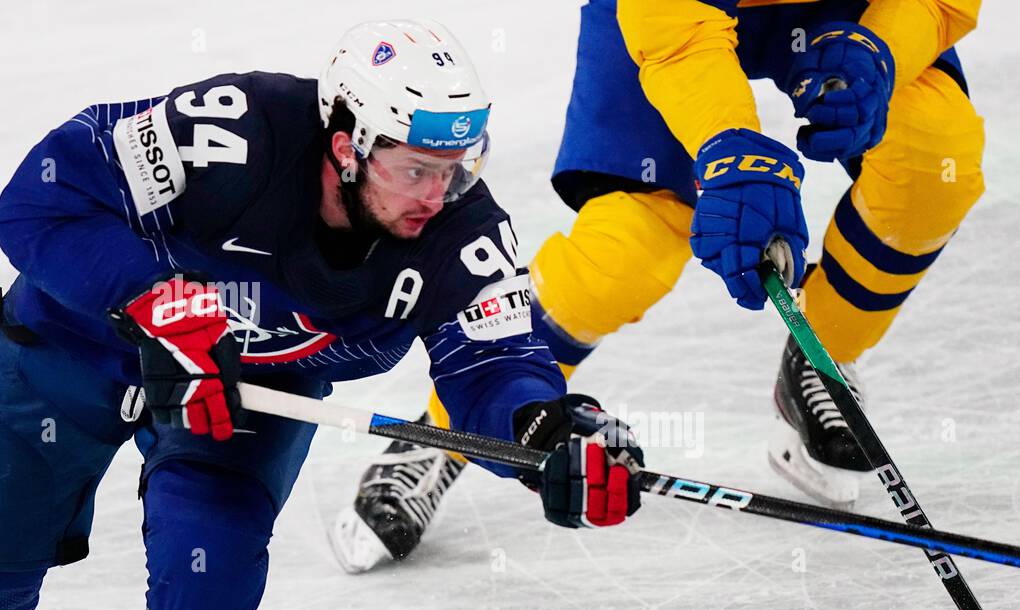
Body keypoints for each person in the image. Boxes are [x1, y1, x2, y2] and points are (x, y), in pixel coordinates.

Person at [0, 18, 644, 610]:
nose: (437, 195)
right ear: (346, 143)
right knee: (8, 524)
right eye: (415, 168)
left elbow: (496, 370)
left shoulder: (459, 229)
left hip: (248, 393)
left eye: (456, 169)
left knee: (214, 563)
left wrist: (546, 430)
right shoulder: (235, 129)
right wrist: (152, 297)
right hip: (88, 335)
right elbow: (40, 195)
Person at [330, 0, 984, 574]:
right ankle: (452, 430)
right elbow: (674, 29)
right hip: (668, 19)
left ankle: (823, 355)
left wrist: (883, 44)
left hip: (848, 6)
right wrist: (732, 149)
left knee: (937, 164)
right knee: (629, 247)